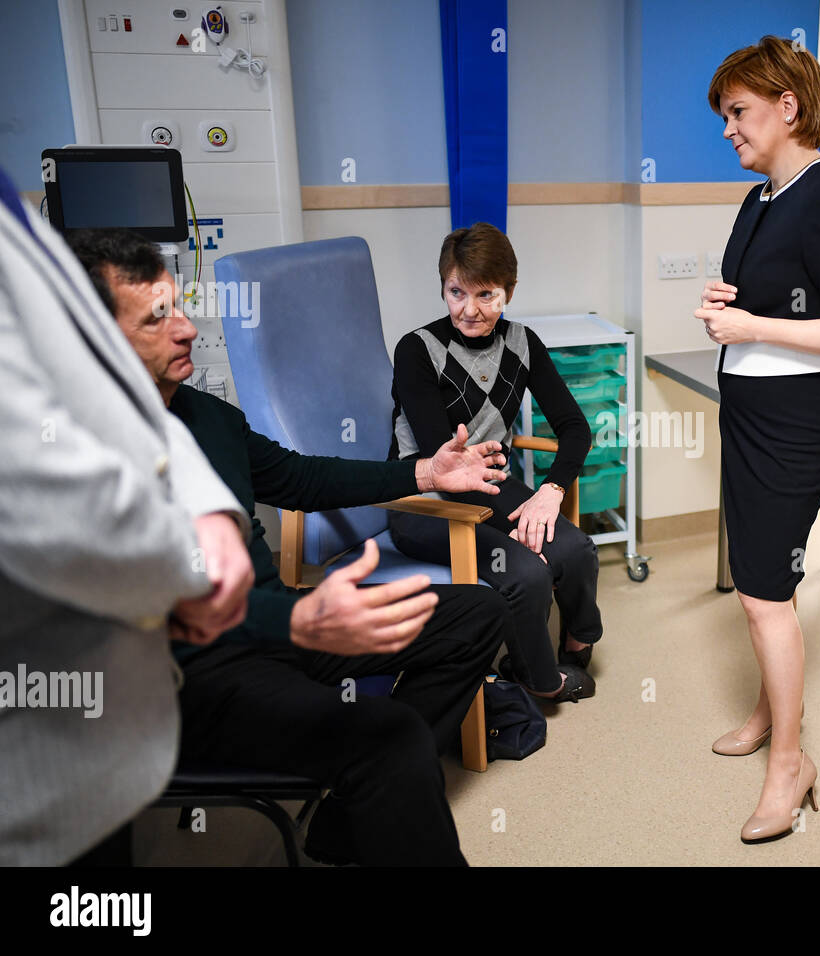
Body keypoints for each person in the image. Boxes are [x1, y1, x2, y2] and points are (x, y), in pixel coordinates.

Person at [68, 228, 512, 867]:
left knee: (476, 613)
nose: (189, 329)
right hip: (184, 676)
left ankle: (349, 813)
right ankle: (374, 774)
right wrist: (297, 620)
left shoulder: (206, 418)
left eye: (181, 307)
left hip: (279, 629)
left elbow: (303, 479)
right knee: (389, 737)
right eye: (157, 318)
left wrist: (425, 473)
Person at [0, 168, 254, 866]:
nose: (187, 330)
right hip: (36, 756)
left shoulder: (21, 231)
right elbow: (48, 498)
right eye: (156, 318)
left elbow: (135, 403)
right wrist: (195, 575)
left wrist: (210, 517)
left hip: (103, 737)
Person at [701, 36, 820, 843]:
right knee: (758, 581)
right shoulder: (761, 198)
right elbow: (772, 304)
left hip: (795, 423)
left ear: (787, 106)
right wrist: (728, 311)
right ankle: (770, 708)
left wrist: (752, 324)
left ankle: (790, 762)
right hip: (746, 411)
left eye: (737, 112)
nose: (728, 130)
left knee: (763, 595)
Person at [388, 223, 601, 703]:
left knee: (577, 549)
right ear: (443, 286)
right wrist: (518, 531)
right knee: (528, 570)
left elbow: (575, 427)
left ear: (508, 292)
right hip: (425, 501)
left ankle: (578, 640)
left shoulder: (523, 343)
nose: (469, 310)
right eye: (455, 292)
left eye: (486, 295)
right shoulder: (416, 349)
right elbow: (443, 461)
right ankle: (538, 679)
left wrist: (550, 493)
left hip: (492, 486)